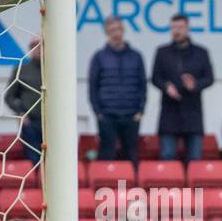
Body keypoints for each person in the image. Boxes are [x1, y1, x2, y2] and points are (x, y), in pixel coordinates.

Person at [151, 13, 213, 161]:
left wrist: (195, 85)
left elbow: (209, 78)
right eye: (173, 27)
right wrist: (166, 86)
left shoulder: (201, 52)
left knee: (195, 159)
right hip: (169, 113)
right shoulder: (162, 52)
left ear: (187, 28)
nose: (177, 31)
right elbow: (155, 78)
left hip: (193, 113)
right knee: (167, 157)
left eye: (180, 27)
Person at [88, 16, 147, 163]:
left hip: (131, 115)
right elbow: (93, 87)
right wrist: (98, 113)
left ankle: (130, 186)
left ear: (124, 30)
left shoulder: (136, 56)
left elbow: (143, 86)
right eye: (112, 30)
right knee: (106, 154)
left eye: (119, 29)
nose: (116, 33)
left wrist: (140, 111)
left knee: (131, 154)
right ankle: (105, 185)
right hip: (107, 115)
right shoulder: (99, 57)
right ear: (107, 32)